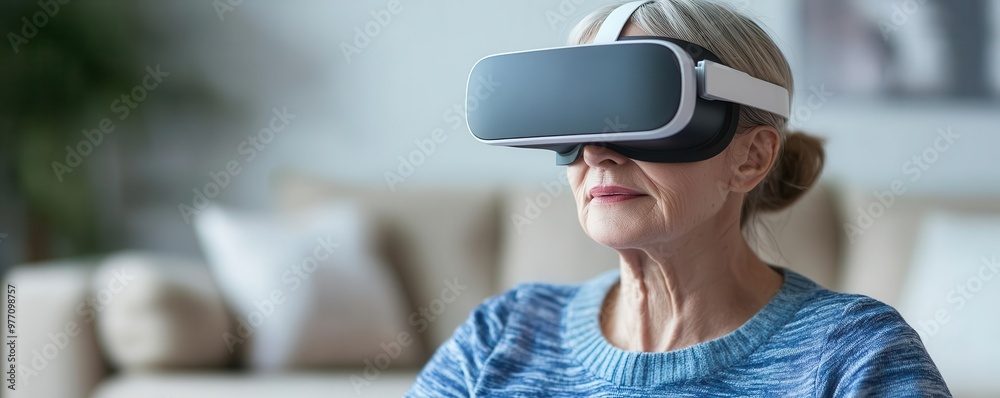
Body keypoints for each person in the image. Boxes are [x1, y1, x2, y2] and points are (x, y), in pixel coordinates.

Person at [408, 0, 951, 396]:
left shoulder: (855, 357)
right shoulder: (502, 333)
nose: (596, 153)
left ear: (751, 157)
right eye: (575, 119)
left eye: (642, 109)